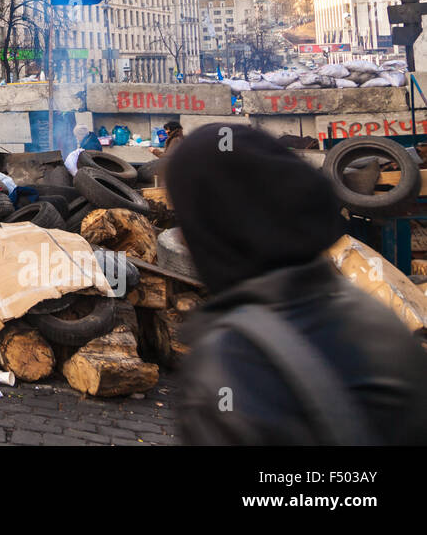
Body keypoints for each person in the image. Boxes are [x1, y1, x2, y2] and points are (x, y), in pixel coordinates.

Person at [166, 124, 427, 445]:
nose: (181, 236)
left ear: (214, 231)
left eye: (187, 222)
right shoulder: (379, 319)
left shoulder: (226, 365)